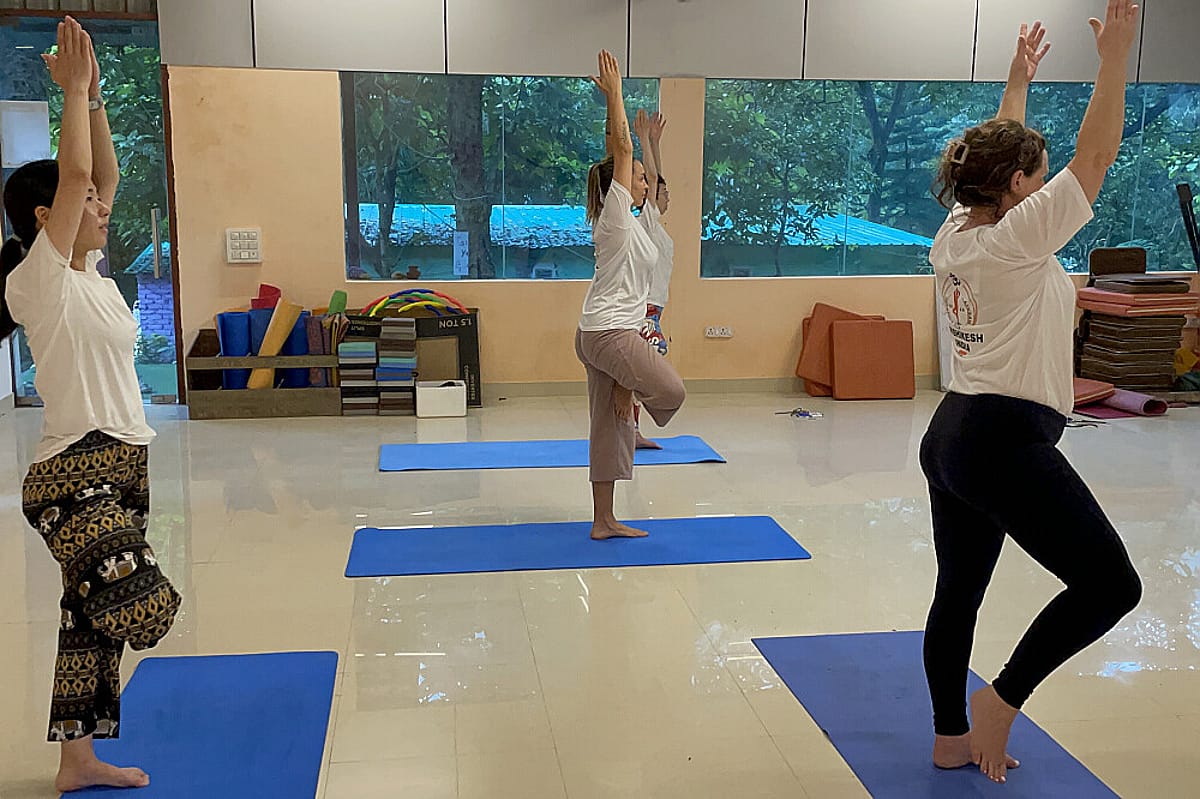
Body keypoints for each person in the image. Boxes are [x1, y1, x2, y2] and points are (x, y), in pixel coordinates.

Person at [920, 6, 1143, 785]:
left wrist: (1017, 82)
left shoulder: (959, 230)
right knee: (1112, 585)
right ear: (1016, 187)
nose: (1046, 186)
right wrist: (1113, 60)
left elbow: (999, 156)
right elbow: (1097, 154)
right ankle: (1002, 698)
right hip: (1002, 440)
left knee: (959, 593)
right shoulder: (1018, 238)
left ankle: (950, 736)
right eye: (1037, 176)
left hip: (952, 434)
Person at [1, 17, 181, 792]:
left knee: (88, 626)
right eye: (81, 204)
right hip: (70, 476)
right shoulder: (37, 279)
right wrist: (72, 90)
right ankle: (78, 752)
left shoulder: (90, 271)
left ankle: (77, 761)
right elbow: (78, 175)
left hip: (126, 464)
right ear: (46, 220)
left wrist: (98, 96)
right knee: (146, 608)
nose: (103, 205)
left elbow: (96, 176)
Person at [576, 50, 686, 540]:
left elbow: (640, 169)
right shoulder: (617, 218)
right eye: (638, 176)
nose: (645, 181)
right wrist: (615, 96)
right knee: (672, 391)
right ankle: (628, 383)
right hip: (611, 335)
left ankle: (603, 520)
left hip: (597, 333)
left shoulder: (638, 222)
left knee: (610, 426)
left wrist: (648, 144)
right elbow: (619, 150)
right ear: (621, 187)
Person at [630, 108, 675, 450]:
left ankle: (631, 430)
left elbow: (659, 178)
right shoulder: (645, 221)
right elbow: (654, 176)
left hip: (653, 311)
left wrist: (656, 142)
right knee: (645, 371)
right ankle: (630, 430)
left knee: (644, 371)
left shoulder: (655, 229)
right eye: (661, 192)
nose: (667, 196)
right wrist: (645, 141)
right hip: (643, 311)